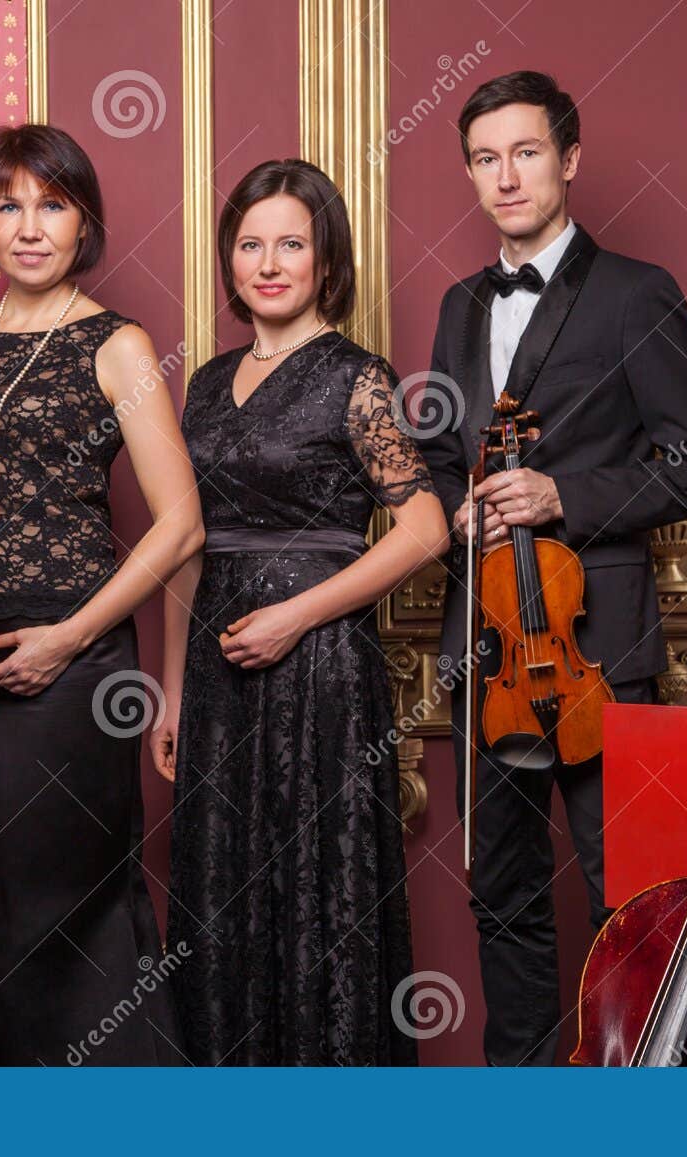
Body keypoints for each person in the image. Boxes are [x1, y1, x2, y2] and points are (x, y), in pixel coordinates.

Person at [419, 71, 687, 1065]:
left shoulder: (634, 290)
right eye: (484, 157)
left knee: (625, 888)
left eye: (523, 152)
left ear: (567, 159)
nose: (504, 175)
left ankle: (637, 1095)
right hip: (489, 642)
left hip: (596, 644)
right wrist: (450, 504)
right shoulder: (460, 302)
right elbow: (439, 456)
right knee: (503, 893)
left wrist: (566, 494)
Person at [0, 124, 201, 1065]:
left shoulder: (119, 343)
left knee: (75, 896)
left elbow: (181, 523)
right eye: (8, 205)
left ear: (83, 222)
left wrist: (68, 639)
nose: (30, 227)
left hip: (75, 666)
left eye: (53, 204)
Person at [153, 158, 450, 1065]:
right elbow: (186, 541)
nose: (268, 262)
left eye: (291, 243)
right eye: (250, 244)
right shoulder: (204, 383)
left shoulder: (358, 376)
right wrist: (170, 688)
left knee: (319, 884)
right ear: (229, 259)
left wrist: (297, 616)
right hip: (214, 670)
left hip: (321, 672)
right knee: (222, 885)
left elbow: (427, 527)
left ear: (327, 260)